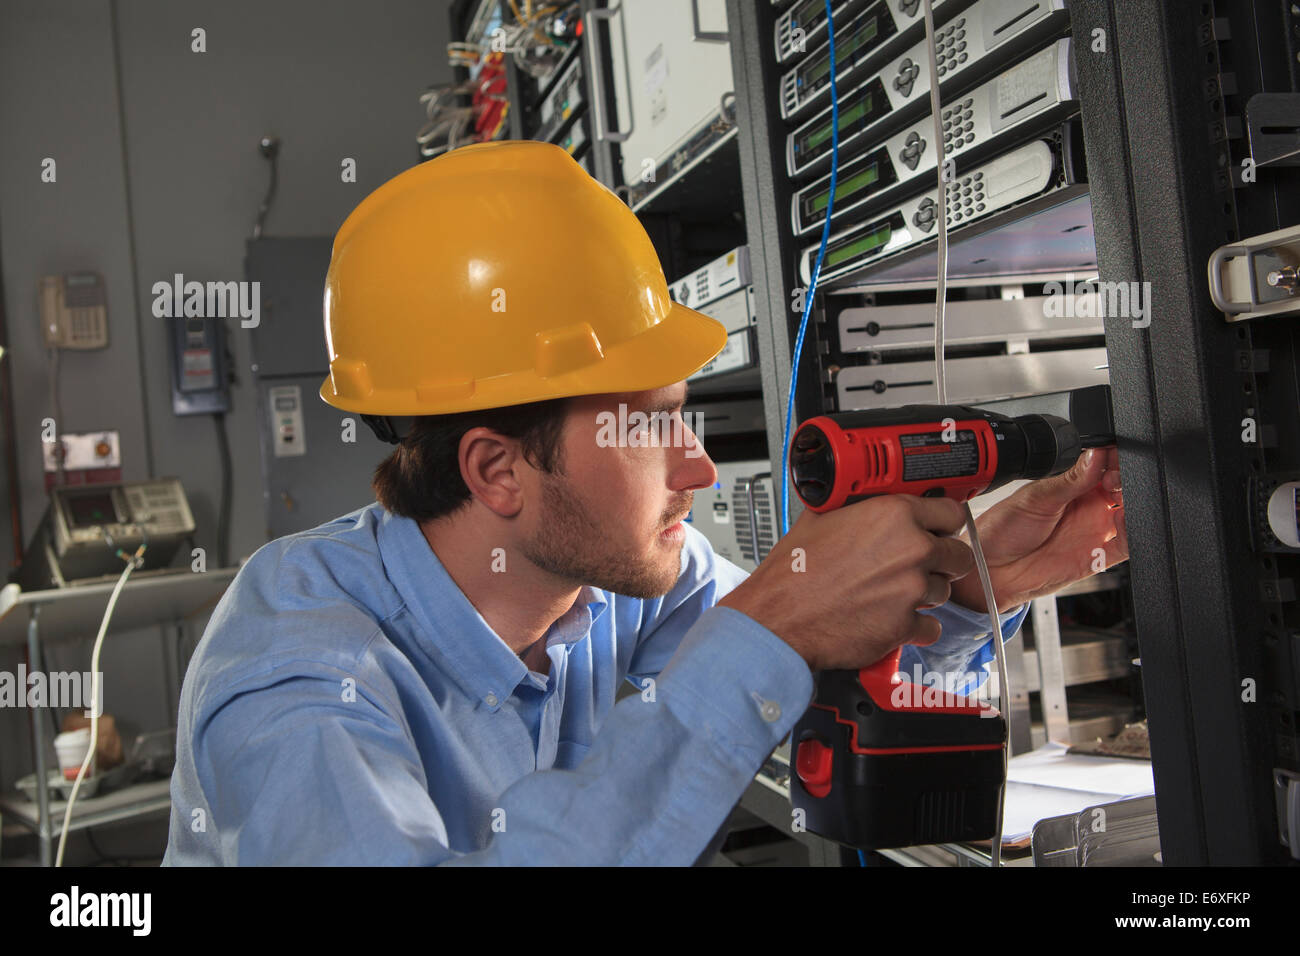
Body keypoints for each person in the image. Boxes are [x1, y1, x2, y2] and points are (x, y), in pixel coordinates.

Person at [162, 141, 1126, 865]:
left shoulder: (608, 580)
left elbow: (807, 670)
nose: (700, 469)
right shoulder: (297, 673)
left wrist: (975, 583)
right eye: (646, 425)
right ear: (499, 471)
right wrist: (773, 620)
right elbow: (767, 643)